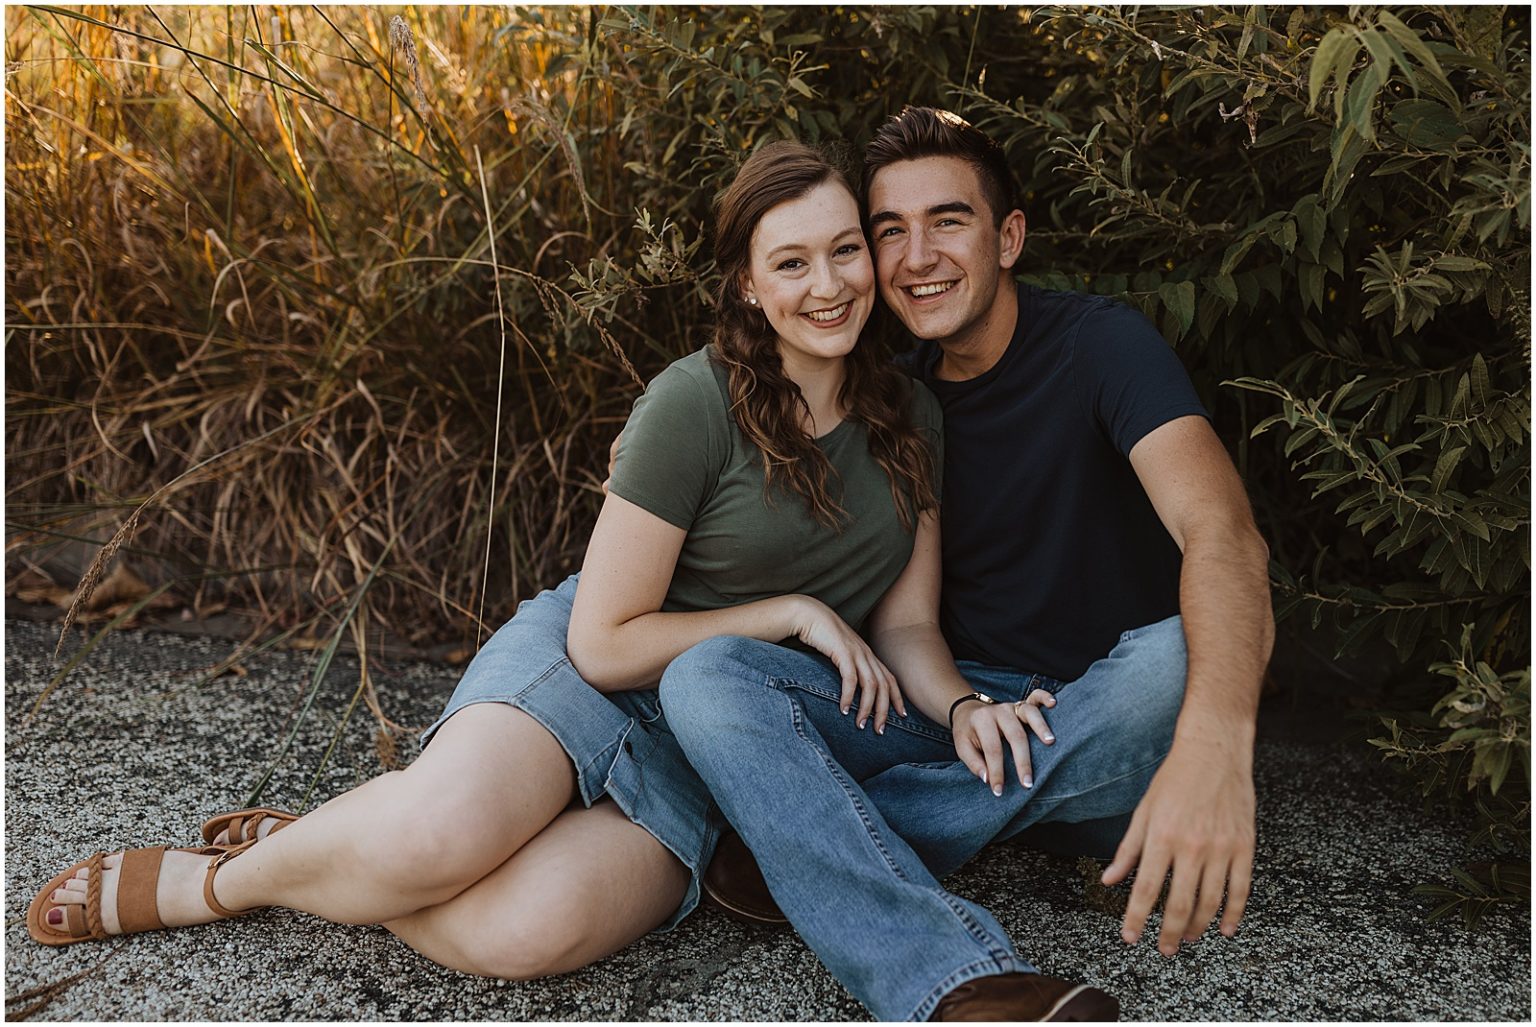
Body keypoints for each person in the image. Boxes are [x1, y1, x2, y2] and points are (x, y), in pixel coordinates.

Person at [29, 141, 1007, 985]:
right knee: (436, 841)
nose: (829, 284)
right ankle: (219, 882)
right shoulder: (692, 405)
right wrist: (786, 609)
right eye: (791, 261)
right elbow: (605, 640)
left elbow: (909, 627)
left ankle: (326, 850)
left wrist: (963, 706)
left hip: (718, 755)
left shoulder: (911, 420)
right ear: (748, 283)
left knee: (521, 931)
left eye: (845, 251)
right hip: (588, 678)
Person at [650, 107, 1275, 1021]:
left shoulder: (1100, 346)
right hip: (949, 712)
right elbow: (897, 619)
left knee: (1183, 662)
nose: (916, 257)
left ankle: (808, 838)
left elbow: (1226, 537)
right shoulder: (887, 395)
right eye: (889, 231)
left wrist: (1218, 747)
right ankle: (953, 984)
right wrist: (963, 705)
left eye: (948, 221)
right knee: (710, 675)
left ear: (1008, 236)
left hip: (1095, 725)